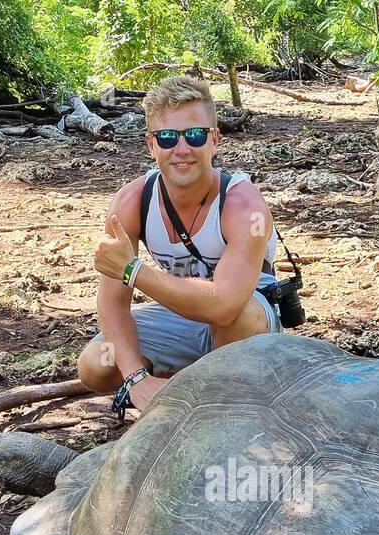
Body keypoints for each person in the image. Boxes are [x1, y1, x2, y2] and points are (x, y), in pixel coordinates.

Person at [79, 76, 282, 412]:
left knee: (238, 318)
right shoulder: (132, 202)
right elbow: (112, 303)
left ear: (215, 139)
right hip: (184, 317)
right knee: (96, 364)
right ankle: (181, 388)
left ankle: (216, 399)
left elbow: (225, 306)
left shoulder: (244, 205)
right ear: (151, 145)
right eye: (168, 137)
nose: (182, 149)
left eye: (196, 135)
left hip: (247, 320)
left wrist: (132, 270)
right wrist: (135, 378)